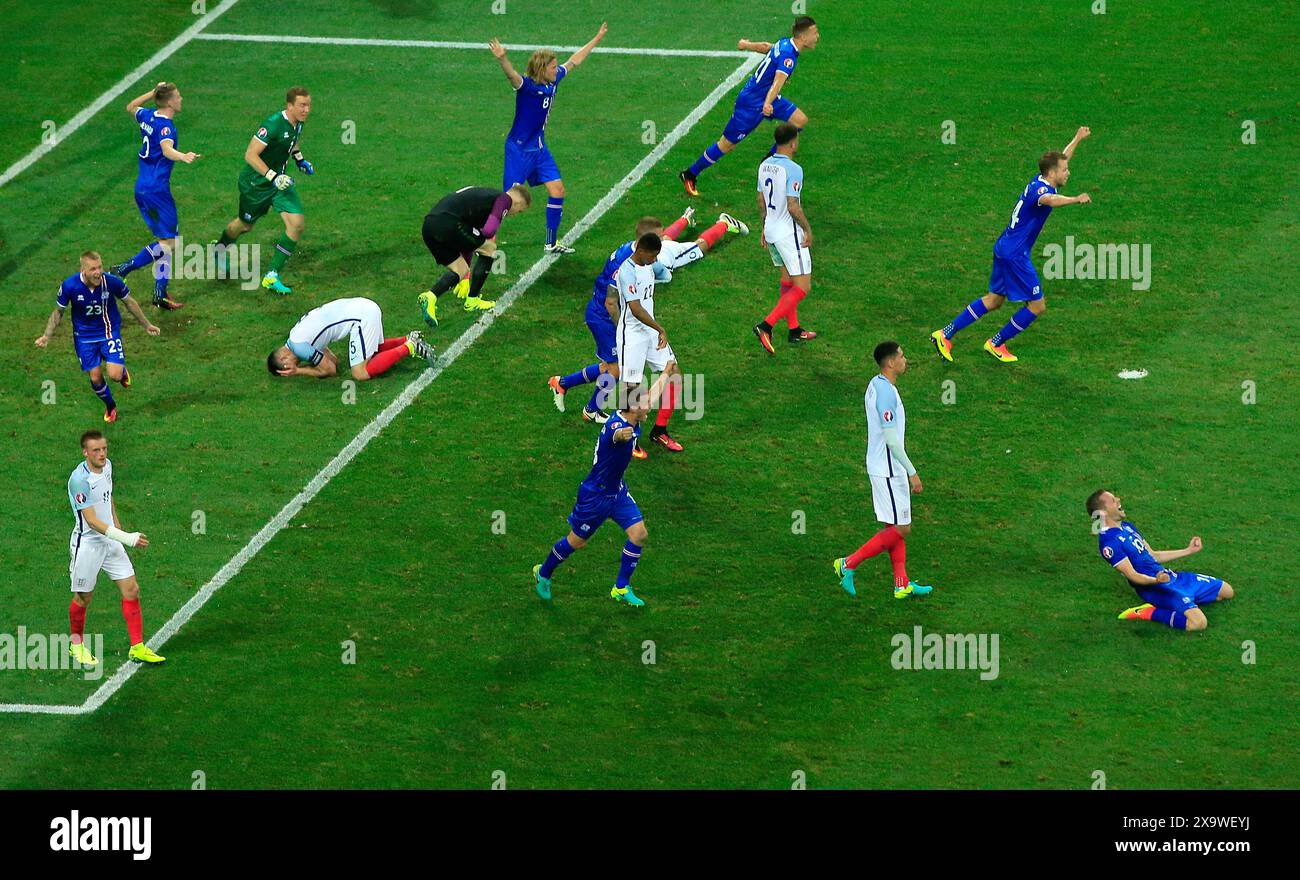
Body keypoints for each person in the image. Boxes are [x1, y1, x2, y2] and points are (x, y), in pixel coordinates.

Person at [547, 206, 747, 428]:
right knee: (616, 368)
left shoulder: (639, 254)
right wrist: (624, 333)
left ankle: (564, 384)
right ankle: (591, 408)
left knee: (613, 366)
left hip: (612, 313)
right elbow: (611, 303)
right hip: (604, 316)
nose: (662, 241)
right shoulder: (626, 263)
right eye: (658, 238)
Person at [931, 127, 1092, 363]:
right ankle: (996, 342)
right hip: (1015, 255)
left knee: (995, 300)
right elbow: (1050, 200)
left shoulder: (1041, 179)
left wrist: (1077, 139)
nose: (1068, 173)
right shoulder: (1042, 190)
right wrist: (1075, 199)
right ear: (1052, 172)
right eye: (1065, 170)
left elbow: (1063, 159)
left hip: (1005, 247)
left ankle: (945, 334)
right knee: (1037, 306)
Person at [489, 22, 607, 254]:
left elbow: (574, 61)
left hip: (539, 149)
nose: (557, 69)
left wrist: (597, 37)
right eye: (553, 67)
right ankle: (486, 240)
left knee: (558, 190)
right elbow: (512, 76)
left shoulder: (553, 82)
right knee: (507, 202)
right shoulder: (527, 87)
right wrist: (502, 59)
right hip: (519, 151)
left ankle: (551, 243)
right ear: (542, 69)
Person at [833, 342, 934, 599]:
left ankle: (901, 584)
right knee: (903, 528)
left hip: (882, 465)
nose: (905, 359)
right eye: (901, 356)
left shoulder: (876, 383)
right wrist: (912, 471)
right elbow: (891, 439)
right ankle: (848, 563)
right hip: (889, 469)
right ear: (890, 363)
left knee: (894, 525)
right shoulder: (886, 393)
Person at [679, 15, 820, 196]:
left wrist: (747, 45)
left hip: (765, 98)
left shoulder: (786, 44)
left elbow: (767, 48)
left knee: (799, 121)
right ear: (803, 37)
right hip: (752, 103)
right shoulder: (789, 58)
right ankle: (690, 174)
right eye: (815, 33)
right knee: (726, 145)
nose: (817, 37)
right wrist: (768, 103)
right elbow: (777, 82)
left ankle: (769, 162)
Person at [532, 399, 651, 607]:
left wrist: (667, 371)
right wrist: (621, 435)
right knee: (577, 541)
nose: (649, 407)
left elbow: (650, 394)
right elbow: (615, 435)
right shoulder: (617, 427)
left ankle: (621, 588)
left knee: (639, 534)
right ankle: (543, 573)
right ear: (633, 408)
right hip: (595, 496)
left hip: (617, 492)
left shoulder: (632, 417)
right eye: (645, 404)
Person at [66, 430, 166, 666]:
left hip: (111, 539)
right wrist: (127, 538)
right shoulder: (79, 481)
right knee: (83, 597)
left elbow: (108, 497)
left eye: (104, 449)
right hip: (88, 544)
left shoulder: (107, 466)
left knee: (131, 589)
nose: (102, 454)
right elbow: (91, 520)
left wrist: (118, 530)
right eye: (96, 450)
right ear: (85, 452)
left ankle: (137, 647)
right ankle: (76, 645)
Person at [34, 251, 160, 423]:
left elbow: (129, 301)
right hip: (84, 337)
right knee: (95, 377)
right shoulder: (69, 286)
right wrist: (46, 336)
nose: (98, 272)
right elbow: (58, 312)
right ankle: (111, 406)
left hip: (108, 332)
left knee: (114, 375)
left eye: (100, 267)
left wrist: (147, 325)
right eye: (93, 268)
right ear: (83, 270)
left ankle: (121, 372)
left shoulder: (111, 281)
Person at [213, 87, 315, 295]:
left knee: (296, 224)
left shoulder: (299, 122)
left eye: (308, 105)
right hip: (257, 184)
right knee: (245, 225)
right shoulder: (273, 124)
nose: (306, 110)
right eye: (302, 105)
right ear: (290, 106)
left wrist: (300, 159)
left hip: (280, 183)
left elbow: (291, 142)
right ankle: (220, 248)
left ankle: (271, 276)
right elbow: (250, 155)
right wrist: (273, 177)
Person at [1088, 489, 1235, 632]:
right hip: (1156, 589)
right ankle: (1149, 612)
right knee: (1198, 623)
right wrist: (1156, 581)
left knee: (1227, 592)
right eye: (1113, 500)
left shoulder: (1127, 527)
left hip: (1170, 578)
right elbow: (1132, 576)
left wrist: (1188, 550)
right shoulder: (1109, 542)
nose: (1119, 499)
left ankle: (1185, 601)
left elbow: (1153, 555)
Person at [110, 81, 200, 310]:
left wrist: (153, 92)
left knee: (167, 241)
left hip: (142, 187)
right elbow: (167, 149)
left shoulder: (148, 116)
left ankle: (160, 293)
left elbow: (130, 106)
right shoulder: (166, 127)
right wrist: (183, 156)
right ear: (169, 102)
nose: (181, 99)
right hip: (157, 191)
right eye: (177, 96)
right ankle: (126, 268)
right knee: (170, 242)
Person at [417, 184, 531, 326]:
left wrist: (466, 278)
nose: (514, 214)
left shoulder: (483, 197)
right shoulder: (505, 200)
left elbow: (467, 243)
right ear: (518, 203)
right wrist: (485, 238)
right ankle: (472, 300)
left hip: (429, 226)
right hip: (449, 224)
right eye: (519, 211)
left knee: (461, 269)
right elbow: (489, 231)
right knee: (490, 247)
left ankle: (430, 297)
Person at [752, 123, 815, 352]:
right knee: (803, 286)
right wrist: (807, 229)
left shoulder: (764, 165)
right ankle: (766, 325)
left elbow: (761, 201)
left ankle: (795, 330)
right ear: (793, 142)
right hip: (789, 233)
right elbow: (793, 206)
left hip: (772, 229)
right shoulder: (794, 169)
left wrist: (764, 227)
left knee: (787, 279)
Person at [267, 297, 436, 381]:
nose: (295, 365)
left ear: (283, 358)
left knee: (359, 373)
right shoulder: (296, 334)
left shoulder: (299, 347)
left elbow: (330, 369)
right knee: (372, 351)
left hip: (362, 317)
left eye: (289, 366)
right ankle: (407, 339)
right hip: (364, 306)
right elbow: (332, 359)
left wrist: (300, 371)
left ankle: (411, 346)